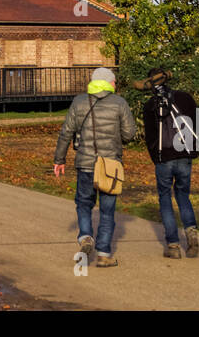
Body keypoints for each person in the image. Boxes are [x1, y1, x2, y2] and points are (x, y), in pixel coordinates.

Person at [53, 67, 137, 268]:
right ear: (109, 83)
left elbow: (66, 132)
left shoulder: (79, 102)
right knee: (107, 211)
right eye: (114, 81)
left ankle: (85, 237)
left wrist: (59, 160)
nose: (115, 85)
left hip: (85, 163)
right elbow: (129, 134)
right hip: (110, 165)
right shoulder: (119, 103)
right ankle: (104, 254)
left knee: (84, 203)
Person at [133, 67, 199, 259]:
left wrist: (155, 157)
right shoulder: (185, 98)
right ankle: (192, 235)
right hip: (184, 152)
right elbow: (196, 122)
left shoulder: (150, 105)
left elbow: (150, 136)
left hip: (164, 157)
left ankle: (173, 245)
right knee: (183, 196)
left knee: (165, 198)